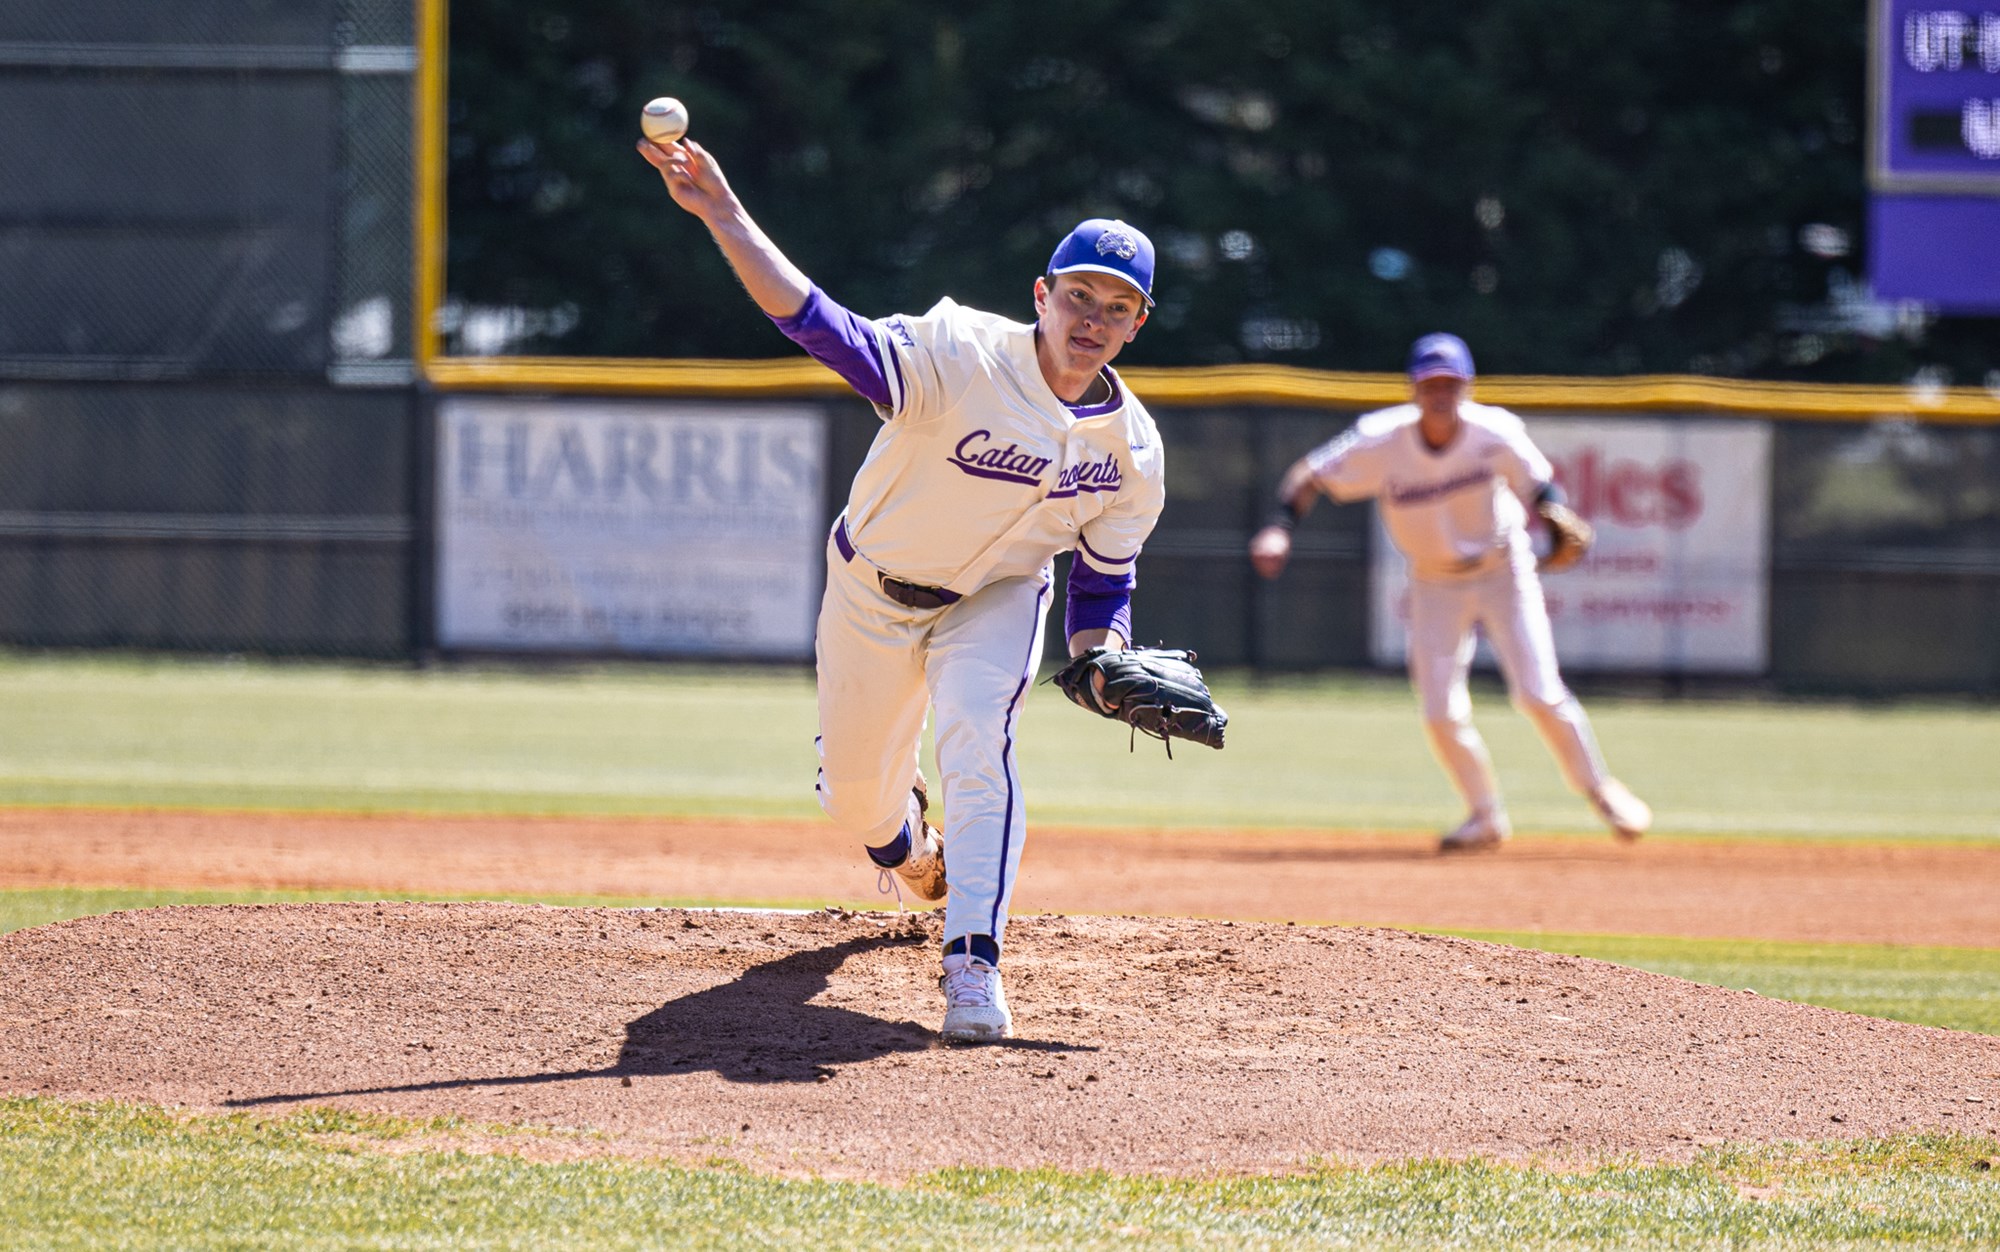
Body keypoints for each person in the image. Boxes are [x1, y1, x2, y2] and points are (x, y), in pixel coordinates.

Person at [638, 135, 1165, 1041]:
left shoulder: (1136, 452)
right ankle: (910, 851)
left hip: (999, 595)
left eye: (1116, 306)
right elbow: (819, 325)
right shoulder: (955, 354)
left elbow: (1100, 587)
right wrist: (724, 216)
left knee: (977, 742)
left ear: (1137, 324)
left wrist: (1103, 659)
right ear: (1041, 296)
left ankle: (972, 965)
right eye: (1078, 293)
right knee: (854, 798)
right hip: (872, 590)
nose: (1092, 317)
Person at [1247, 333, 1651, 852]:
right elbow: (1310, 475)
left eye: (1451, 383)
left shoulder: (1495, 431)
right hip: (1434, 580)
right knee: (1439, 712)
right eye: (1431, 383)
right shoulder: (1381, 438)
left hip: (1503, 569)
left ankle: (1601, 790)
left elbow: (1542, 490)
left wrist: (1554, 514)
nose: (1441, 393)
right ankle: (1485, 816)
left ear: (1467, 386)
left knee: (1538, 692)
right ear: (1415, 388)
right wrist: (1280, 527)